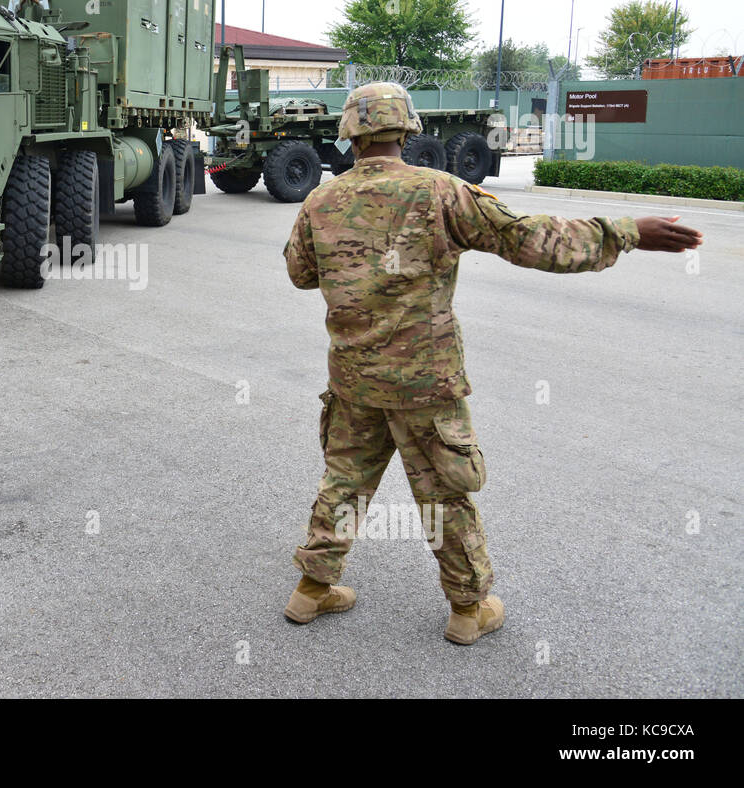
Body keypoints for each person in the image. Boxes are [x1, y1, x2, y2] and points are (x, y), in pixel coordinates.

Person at [282, 81, 704, 644]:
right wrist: (625, 232)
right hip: (426, 384)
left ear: (350, 136)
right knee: (444, 495)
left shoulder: (320, 200)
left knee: (343, 483)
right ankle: (467, 610)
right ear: (407, 131)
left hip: (354, 378)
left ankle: (310, 591)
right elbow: (530, 240)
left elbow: (301, 273)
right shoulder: (442, 192)